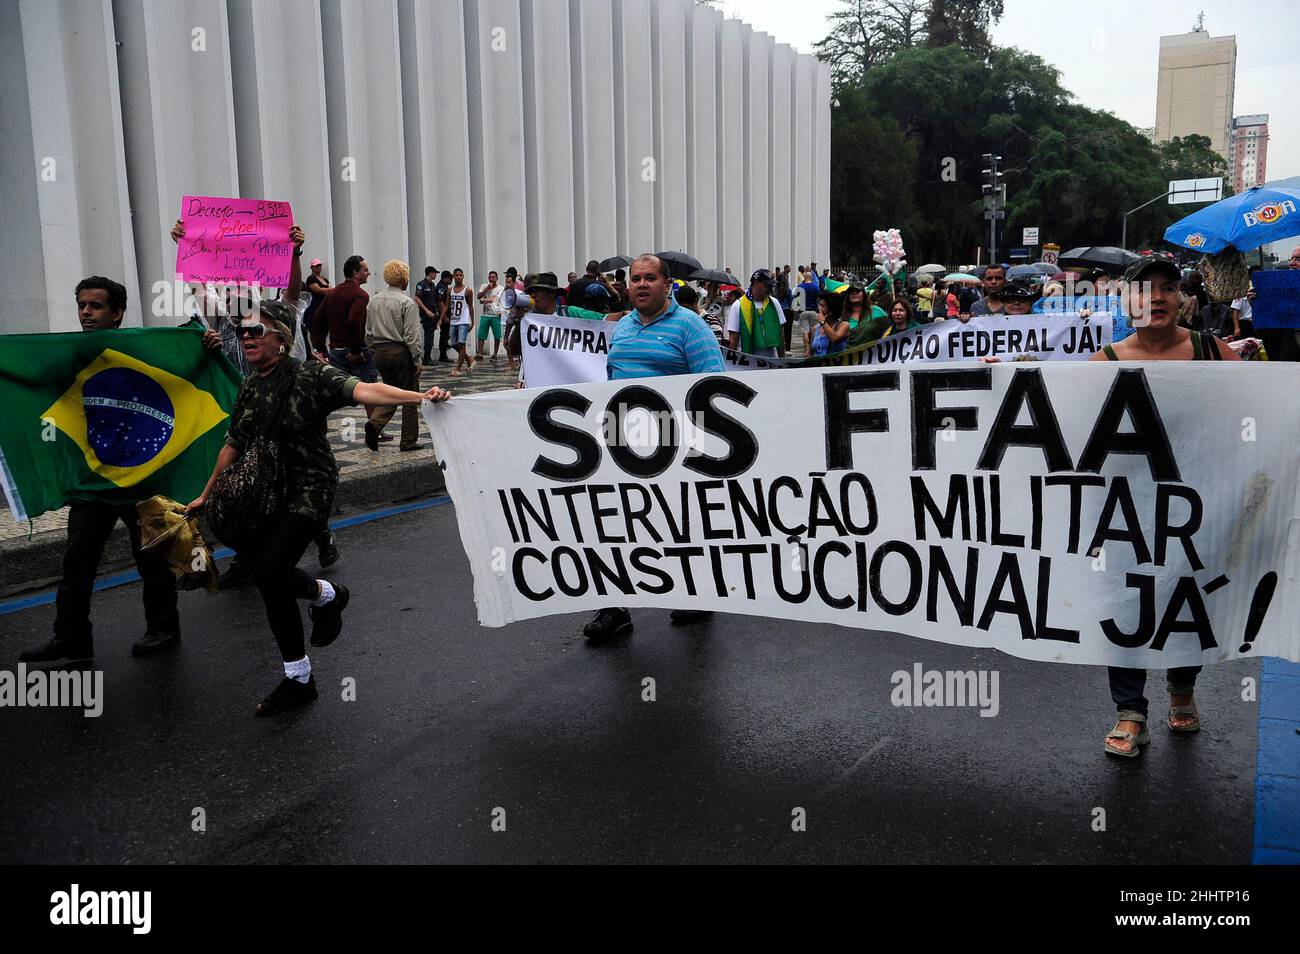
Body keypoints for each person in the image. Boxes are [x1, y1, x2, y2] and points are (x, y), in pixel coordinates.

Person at [186, 302, 451, 714]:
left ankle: (327, 594)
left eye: (257, 330)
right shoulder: (251, 387)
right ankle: (299, 678)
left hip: (309, 488)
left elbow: (365, 391)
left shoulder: (311, 374)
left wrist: (422, 395)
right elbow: (232, 444)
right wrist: (207, 493)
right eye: (243, 332)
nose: (247, 337)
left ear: (282, 337)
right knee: (271, 583)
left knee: (270, 570)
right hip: (265, 494)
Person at [18, 276, 219, 666]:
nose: (86, 313)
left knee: (150, 557)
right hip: (93, 483)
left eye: (95, 306)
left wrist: (205, 348)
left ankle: (163, 627)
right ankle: (70, 639)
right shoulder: (72, 353)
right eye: (82, 305)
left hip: (140, 479)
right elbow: (37, 379)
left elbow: (180, 366)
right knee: (77, 562)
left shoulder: (139, 350)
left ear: (117, 313)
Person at [1088, 255, 1240, 758]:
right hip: (1127, 509)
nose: (1155, 297)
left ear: (1183, 299)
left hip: (1198, 505)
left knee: (1187, 599)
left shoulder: (1212, 352)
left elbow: (1256, 414)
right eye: (1142, 289)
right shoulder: (1104, 363)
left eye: (1167, 288)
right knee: (1126, 600)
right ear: (1125, 301)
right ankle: (1130, 713)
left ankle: (1181, 687)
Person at [583, 254, 725, 643]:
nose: (641, 284)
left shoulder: (691, 326)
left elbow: (714, 386)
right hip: (620, 441)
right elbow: (611, 381)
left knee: (674, 521)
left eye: (650, 278)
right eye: (635, 279)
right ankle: (614, 606)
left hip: (673, 446)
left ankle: (693, 591)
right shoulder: (622, 326)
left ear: (667, 285)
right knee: (612, 521)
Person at [366, 260, 424, 452]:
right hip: (400, 351)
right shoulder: (407, 302)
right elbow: (412, 335)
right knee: (409, 395)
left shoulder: (374, 300)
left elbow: (368, 332)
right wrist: (417, 359)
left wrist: (374, 350)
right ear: (403, 279)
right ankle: (408, 441)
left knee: (390, 391)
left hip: (380, 351)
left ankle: (375, 423)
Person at [323, 255, 378, 383]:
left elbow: (318, 319)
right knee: (371, 393)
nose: (369, 273)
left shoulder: (333, 293)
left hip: (336, 351)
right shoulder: (360, 295)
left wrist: (321, 348)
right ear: (355, 273)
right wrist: (356, 351)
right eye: (365, 270)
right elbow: (354, 321)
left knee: (338, 393)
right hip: (354, 352)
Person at [726, 268, 786, 358]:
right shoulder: (738, 306)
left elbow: (780, 333)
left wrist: (782, 360)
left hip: (771, 361)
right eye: (767, 285)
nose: (770, 288)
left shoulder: (774, 303)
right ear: (756, 283)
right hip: (747, 362)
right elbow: (733, 338)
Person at [414, 266, 441, 366]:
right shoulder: (421, 284)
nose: (435, 275)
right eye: (434, 273)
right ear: (430, 273)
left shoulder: (432, 285)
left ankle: (428, 357)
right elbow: (417, 298)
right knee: (428, 335)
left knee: (431, 335)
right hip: (426, 314)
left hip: (433, 313)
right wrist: (426, 311)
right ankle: (426, 358)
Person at [810, 289, 850, 356]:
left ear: (831, 309)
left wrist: (823, 322)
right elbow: (812, 352)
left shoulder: (844, 326)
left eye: (822, 306)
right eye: (819, 305)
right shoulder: (815, 328)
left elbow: (835, 338)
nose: (818, 308)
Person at [476, 270, 504, 360]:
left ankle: (495, 354)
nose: (491, 279)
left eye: (493, 277)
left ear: (497, 278)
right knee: (481, 335)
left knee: (497, 336)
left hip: (496, 315)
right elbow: (479, 296)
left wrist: (501, 312)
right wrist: (487, 288)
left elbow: (501, 300)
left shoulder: (501, 288)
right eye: (490, 277)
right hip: (485, 314)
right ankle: (480, 354)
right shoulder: (484, 286)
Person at [303, 259, 331, 346]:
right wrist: (328, 290)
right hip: (314, 306)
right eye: (316, 266)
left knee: (324, 328)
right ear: (312, 268)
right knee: (313, 329)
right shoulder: (311, 279)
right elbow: (318, 290)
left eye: (320, 265)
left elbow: (330, 290)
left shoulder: (325, 279)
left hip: (324, 306)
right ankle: (316, 348)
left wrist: (327, 290)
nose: (319, 267)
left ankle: (321, 348)